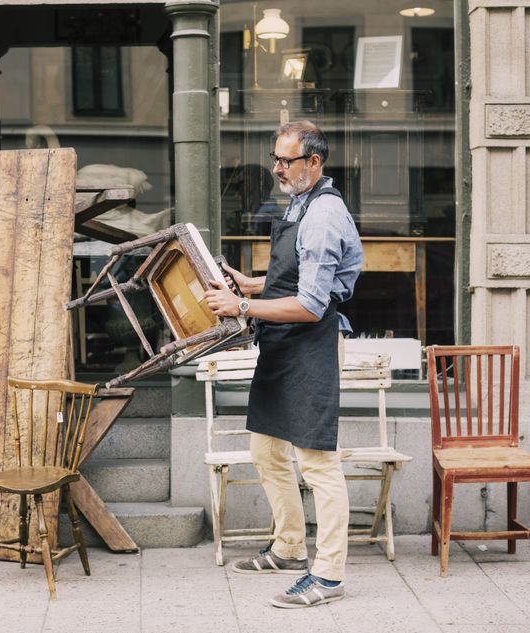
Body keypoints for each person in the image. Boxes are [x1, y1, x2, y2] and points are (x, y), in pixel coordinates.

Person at [204, 120, 363, 609]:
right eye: (275, 158)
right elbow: (294, 279)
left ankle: (329, 575)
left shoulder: (321, 216)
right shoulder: (301, 202)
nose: (276, 168)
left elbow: (312, 305)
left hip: (309, 343)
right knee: (267, 451)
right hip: (282, 345)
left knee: (317, 461)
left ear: (314, 162)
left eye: (286, 160)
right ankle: (290, 547)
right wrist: (251, 285)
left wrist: (242, 308)